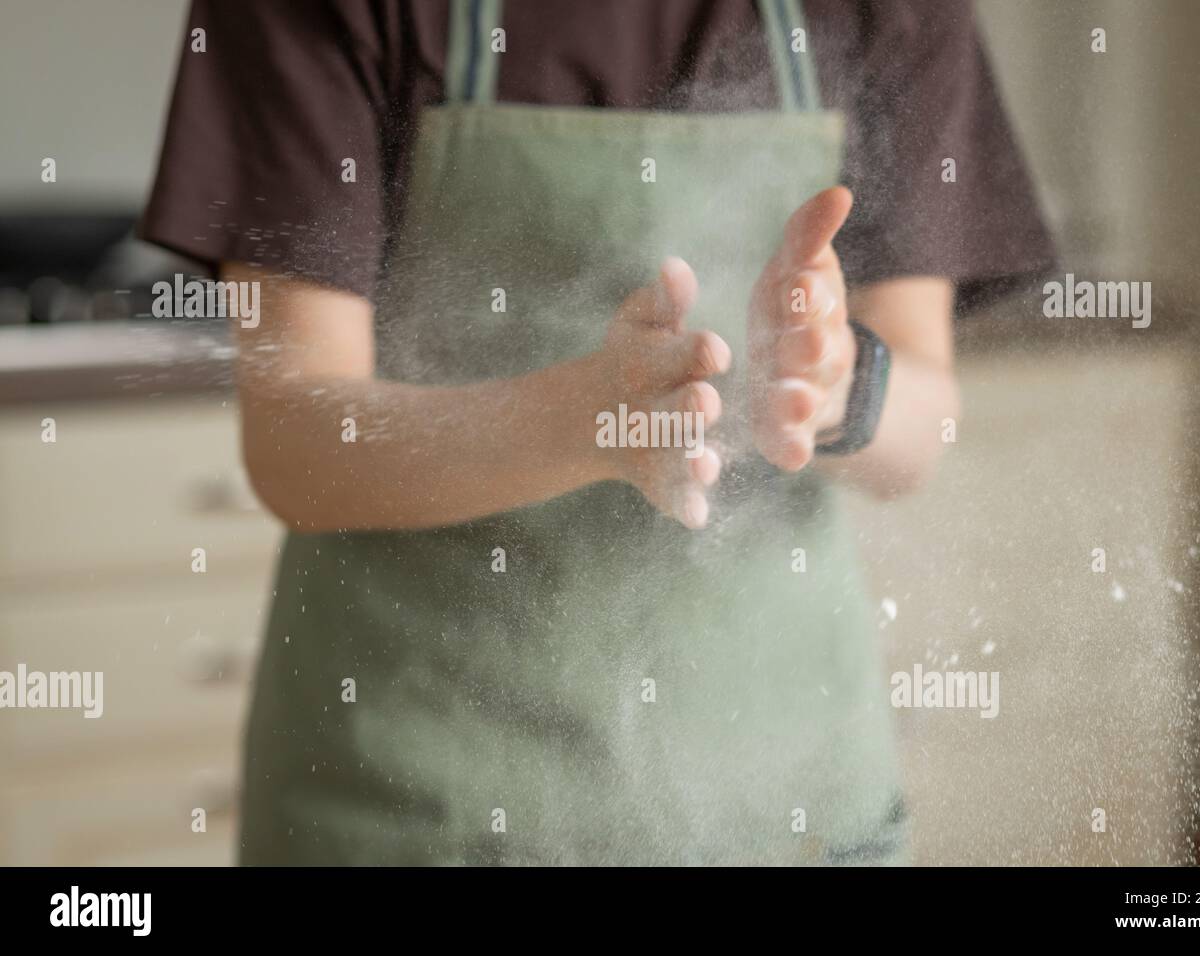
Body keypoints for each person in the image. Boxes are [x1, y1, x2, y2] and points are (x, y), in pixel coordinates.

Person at [142, 0, 1054, 865]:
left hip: (789, 806)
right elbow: (297, 443)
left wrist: (839, 383)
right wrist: (586, 419)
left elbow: (921, 428)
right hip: (419, 800)